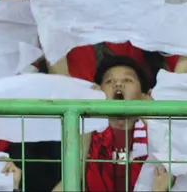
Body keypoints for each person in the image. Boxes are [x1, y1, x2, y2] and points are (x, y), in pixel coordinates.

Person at [53, 55, 151, 192]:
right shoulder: (88, 131)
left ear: (143, 95)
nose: (118, 84)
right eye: (110, 81)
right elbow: (72, 178)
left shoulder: (155, 130)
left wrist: (152, 118)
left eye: (128, 80)